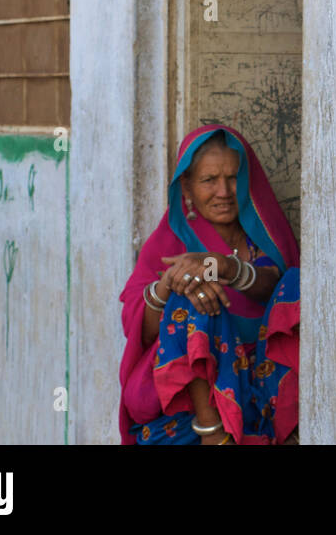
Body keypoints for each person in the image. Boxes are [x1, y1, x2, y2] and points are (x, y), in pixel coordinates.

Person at [118, 125, 300, 445]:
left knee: (298, 281)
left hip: (258, 385)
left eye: (233, 178)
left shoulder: (263, 237)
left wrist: (225, 267)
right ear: (186, 187)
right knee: (191, 293)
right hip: (187, 404)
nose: (224, 191)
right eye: (209, 180)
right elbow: (140, 331)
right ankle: (213, 432)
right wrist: (170, 285)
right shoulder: (169, 243)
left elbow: (276, 284)